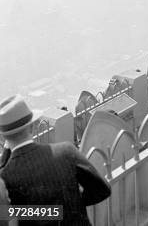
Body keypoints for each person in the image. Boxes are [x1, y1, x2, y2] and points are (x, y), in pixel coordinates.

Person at [0, 95, 111, 226]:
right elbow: (102, 189)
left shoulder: (5, 177)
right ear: (32, 127)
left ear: (3, 138)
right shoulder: (66, 151)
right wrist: (73, 203)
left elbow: (5, 216)